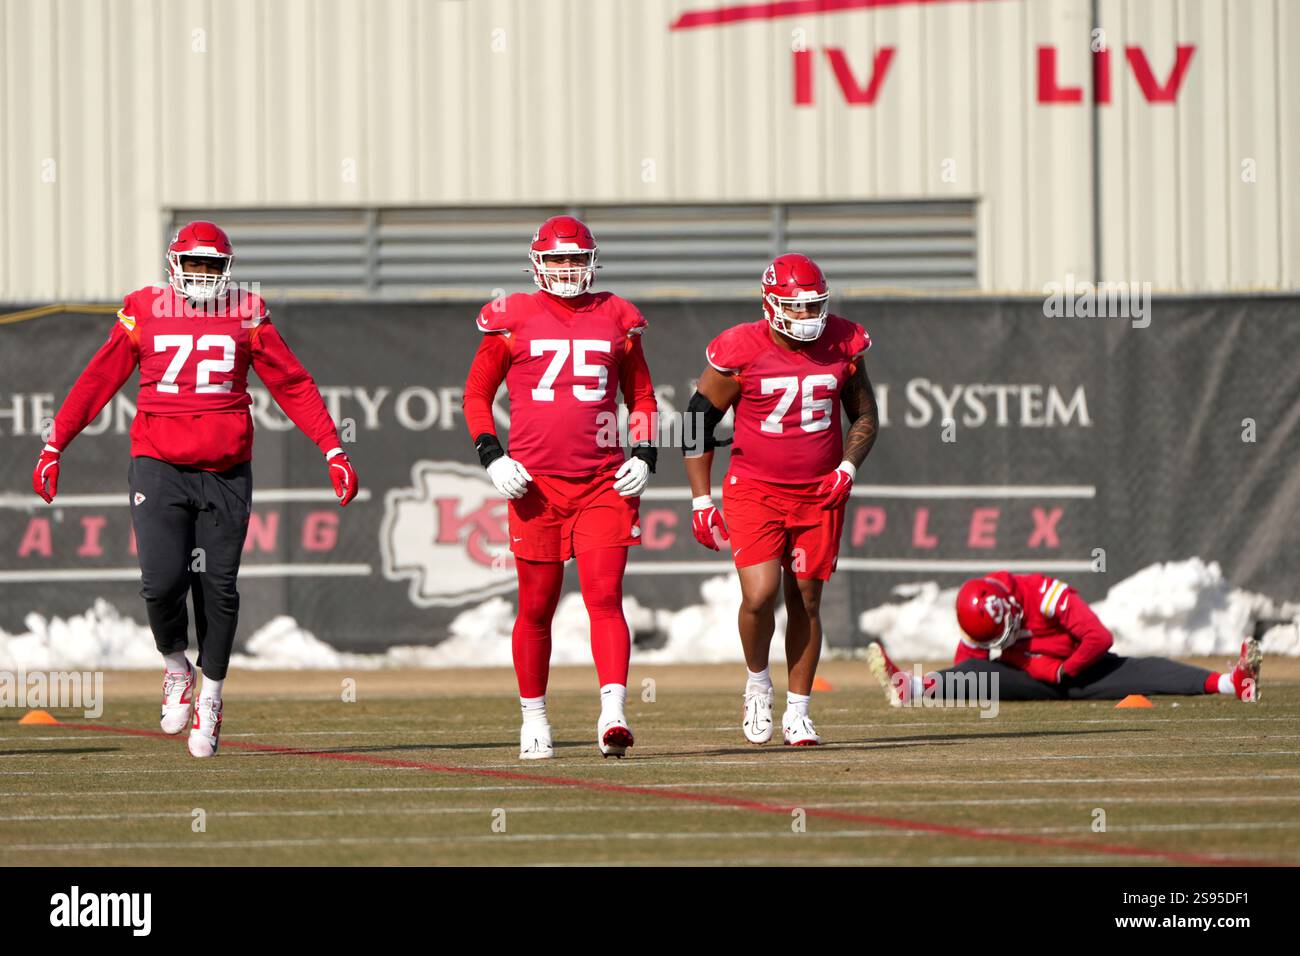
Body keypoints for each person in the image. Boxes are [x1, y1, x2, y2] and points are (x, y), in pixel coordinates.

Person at [32, 221, 358, 757]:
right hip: (159, 464)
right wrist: (55, 443)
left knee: (218, 588)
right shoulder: (145, 309)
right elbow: (98, 380)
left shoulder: (247, 313)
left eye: (213, 265)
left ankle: (212, 697)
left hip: (225, 469)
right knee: (162, 582)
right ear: (174, 266)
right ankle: (176, 667)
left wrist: (332, 447)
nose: (204, 275)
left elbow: (292, 383)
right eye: (195, 264)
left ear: (227, 269)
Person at [460, 215, 658, 760]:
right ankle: (534, 717)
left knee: (605, 598)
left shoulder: (617, 315)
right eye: (558, 260)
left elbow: (641, 398)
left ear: (592, 262)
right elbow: (476, 396)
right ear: (536, 265)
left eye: (577, 259)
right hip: (535, 486)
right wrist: (491, 455)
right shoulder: (513, 317)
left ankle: (613, 712)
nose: (568, 270)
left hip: (603, 482)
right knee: (537, 606)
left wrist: (645, 453)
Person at [683, 254, 878, 746]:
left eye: (815, 308)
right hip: (755, 490)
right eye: (797, 309)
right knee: (760, 594)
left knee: (807, 600)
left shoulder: (843, 341)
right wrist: (700, 500)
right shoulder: (741, 349)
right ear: (770, 305)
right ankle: (756, 683)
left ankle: (798, 710)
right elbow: (694, 423)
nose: (809, 319)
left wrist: (847, 468)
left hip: (819, 493)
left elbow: (865, 416)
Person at [866, 571, 1263, 704]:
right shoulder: (980, 617)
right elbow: (966, 666)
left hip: (1083, 672)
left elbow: (1099, 637)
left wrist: (1063, 671)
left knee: (1145, 671)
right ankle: (911, 688)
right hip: (1029, 678)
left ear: (1011, 607)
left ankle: (1231, 683)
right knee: (973, 672)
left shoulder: (1045, 594)